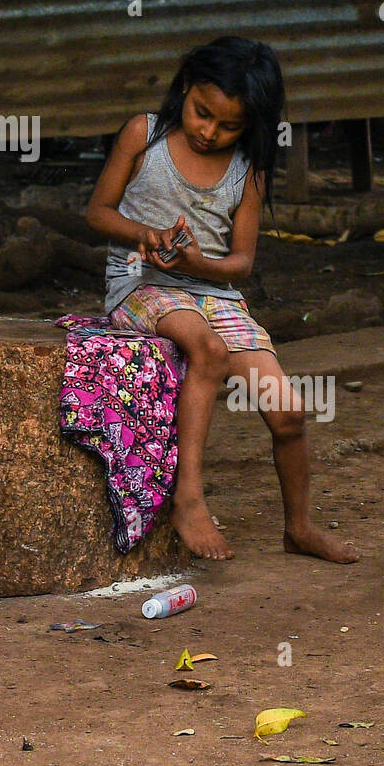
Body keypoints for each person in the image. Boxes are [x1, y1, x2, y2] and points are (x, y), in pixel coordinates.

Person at [84, 36, 358, 565]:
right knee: (206, 349)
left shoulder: (249, 168)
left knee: (289, 412)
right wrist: (148, 235)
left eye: (228, 125)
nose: (209, 132)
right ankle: (188, 494)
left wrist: (195, 265)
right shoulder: (145, 134)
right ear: (185, 87)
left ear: (252, 124)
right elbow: (98, 212)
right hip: (139, 284)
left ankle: (298, 526)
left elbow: (241, 264)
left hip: (214, 292)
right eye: (202, 113)